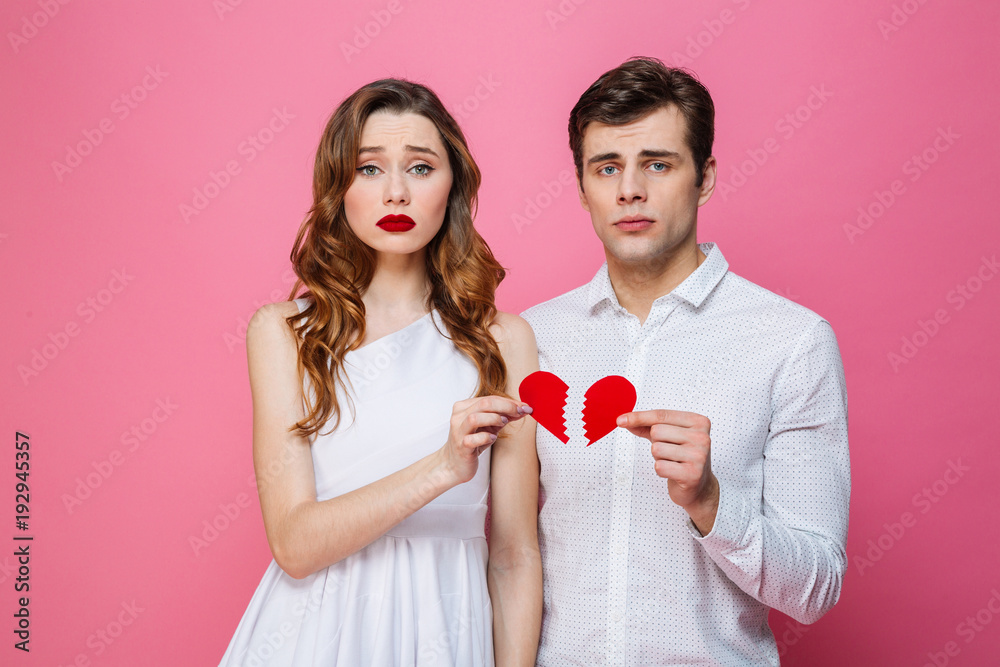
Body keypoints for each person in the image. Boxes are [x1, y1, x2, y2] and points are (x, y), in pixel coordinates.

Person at [520, 57, 850, 665]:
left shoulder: (792, 340)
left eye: (658, 164)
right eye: (607, 167)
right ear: (582, 186)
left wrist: (711, 503)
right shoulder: (531, 338)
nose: (629, 190)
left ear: (705, 177)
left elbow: (817, 588)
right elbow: (505, 551)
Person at [220, 78, 542, 666]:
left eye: (420, 167)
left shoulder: (504, 342)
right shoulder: (284, 334)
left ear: (453, 184)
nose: (396, 192)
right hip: (314, 639)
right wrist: (444, 468)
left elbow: (515, 555)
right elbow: (294, 544)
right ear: (337, 187)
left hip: (448, 629)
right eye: (369, 169)